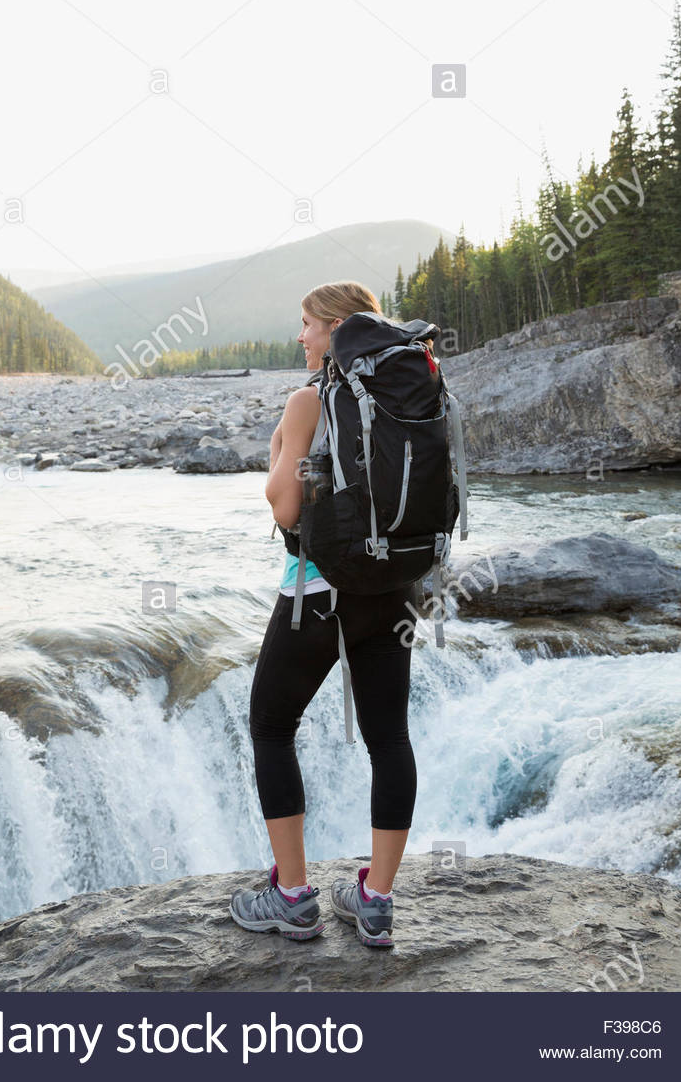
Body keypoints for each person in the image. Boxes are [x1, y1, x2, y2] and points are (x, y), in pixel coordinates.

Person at [228, 281, 422, 948]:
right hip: (394, 589)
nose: (303, 337)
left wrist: (284, 449)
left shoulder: (311, 399)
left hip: (319, 592)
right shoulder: (408, 389)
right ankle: (375, 901)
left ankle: (292, 895)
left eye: (309, 325)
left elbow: (285, 509)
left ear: (338, 329)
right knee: (389, 737)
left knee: (270, 725)